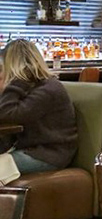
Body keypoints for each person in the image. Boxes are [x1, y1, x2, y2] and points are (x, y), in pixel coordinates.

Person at [0, 38, 78, 183]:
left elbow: (7, 114)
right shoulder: (31, 87)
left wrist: (15, 82)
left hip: (49, 155)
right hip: (30, 149)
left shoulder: (48, 89)